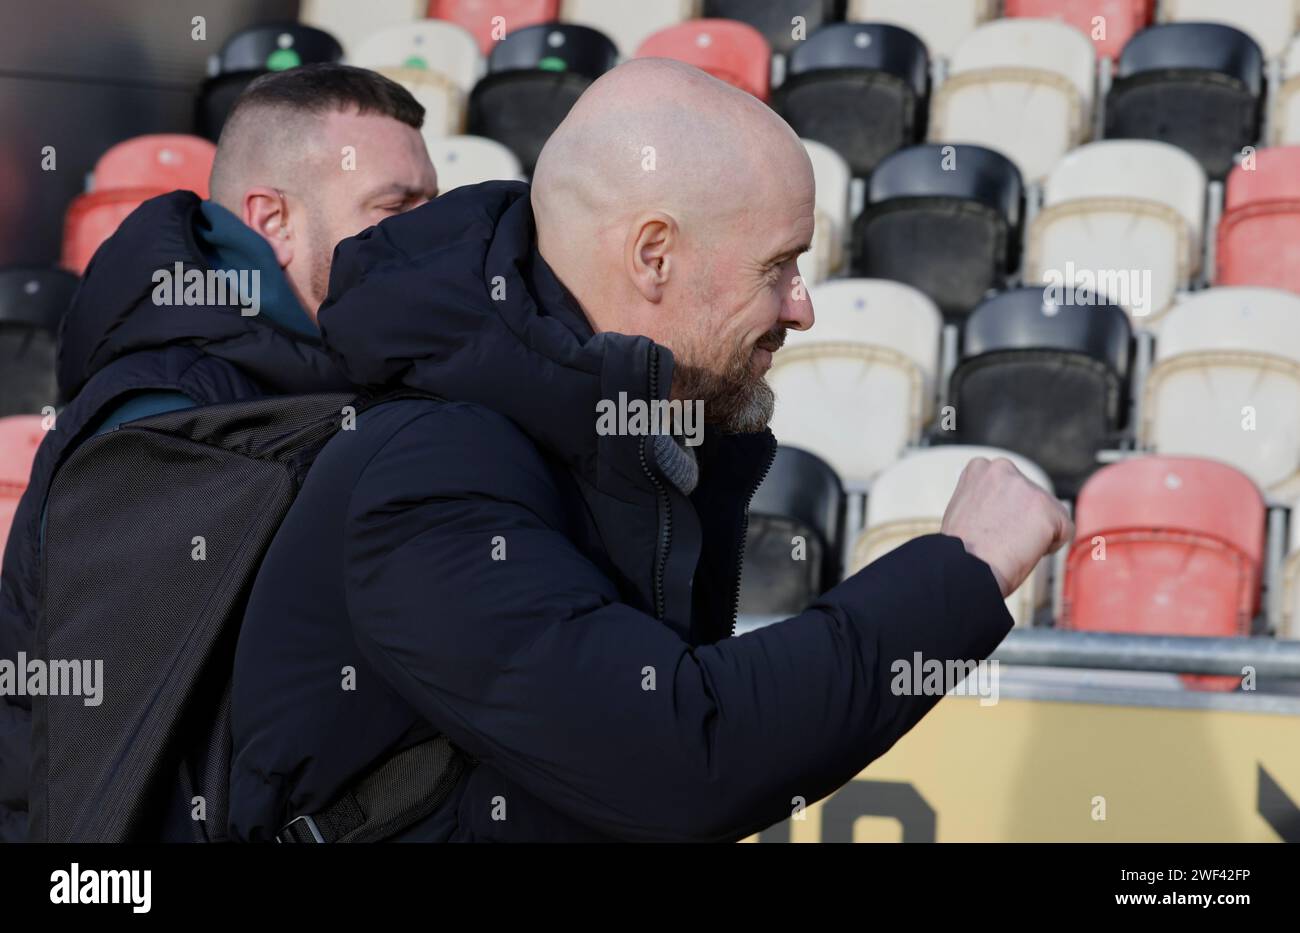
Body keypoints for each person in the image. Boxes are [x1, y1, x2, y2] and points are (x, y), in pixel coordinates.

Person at [228, 59, 1072, 843]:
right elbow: (682, 754)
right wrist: (960, 574)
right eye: (778, 266)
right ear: (653, 255)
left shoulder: (599, 438)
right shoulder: (430, 472)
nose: (802, 307)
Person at [0, 63, 437, 842]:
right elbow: (113, 770)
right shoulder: (168, 415)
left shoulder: (353, 372)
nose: (429, 239)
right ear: (272, 219)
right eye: (395, 209)